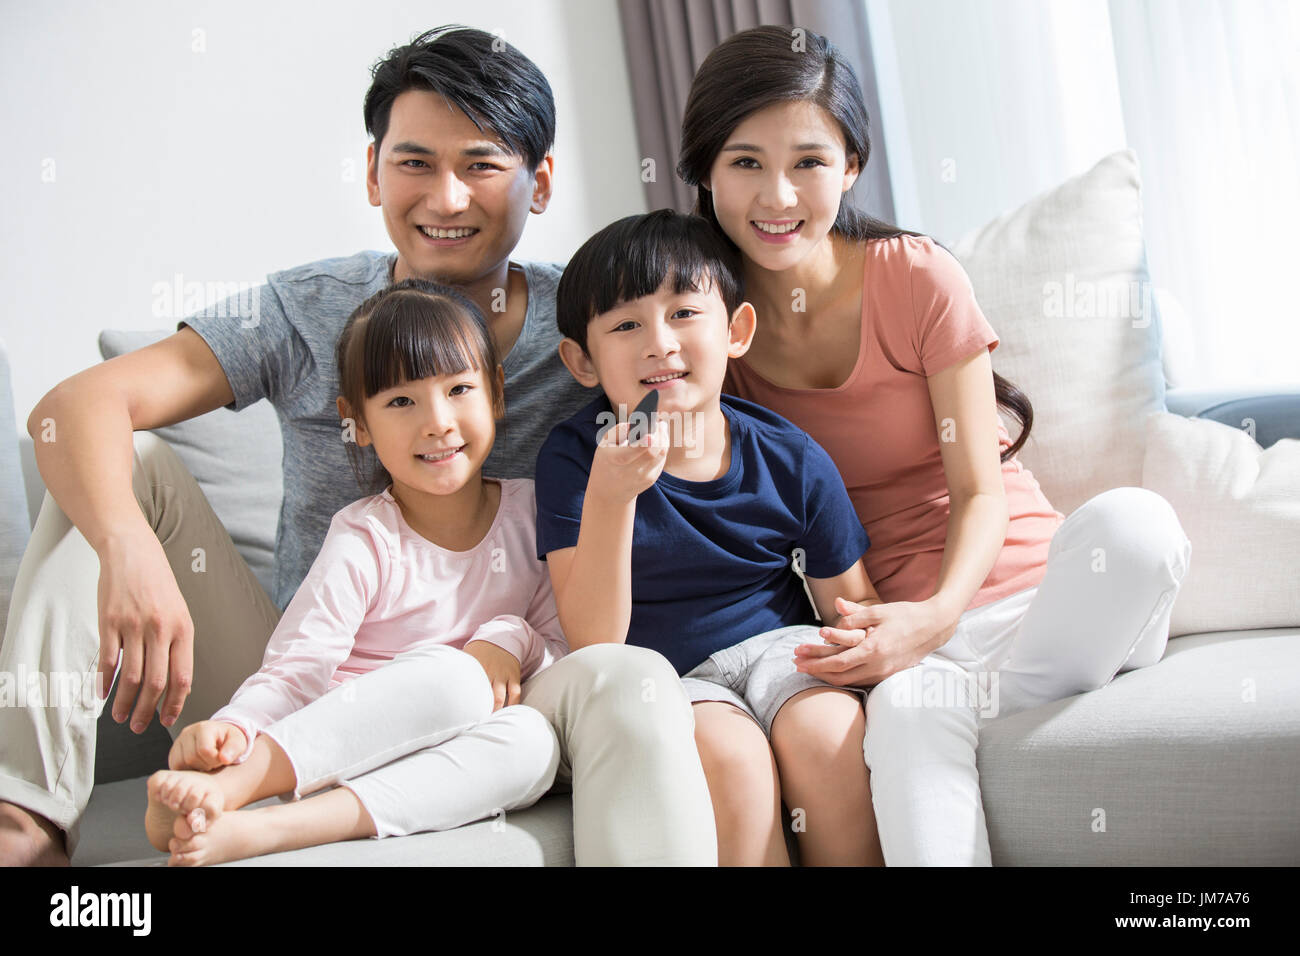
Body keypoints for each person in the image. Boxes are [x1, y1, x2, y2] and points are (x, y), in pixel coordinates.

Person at [0, 24, 716, 867]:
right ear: (373, 173)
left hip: (500, 684)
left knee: (618, 682)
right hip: (312, 674)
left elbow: (720, 367)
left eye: (481, 164)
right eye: (415, 163)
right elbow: (73, 409)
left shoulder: (592, 330)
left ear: (541, 180)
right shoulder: (303, 306)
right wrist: (129, 549)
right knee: (133, 467)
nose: (446, 198)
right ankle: (27, 825)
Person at [675, 24, 1193, 865]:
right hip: (911, 651)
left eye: (808, 161)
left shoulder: (914, 277)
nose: (777, 195)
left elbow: (982, 490)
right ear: (703, 171)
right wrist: (898, 641)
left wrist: (934, 616)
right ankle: (995, 703)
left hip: (1042, 600)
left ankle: (992, 692)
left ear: (850, 168)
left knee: (1139, 529)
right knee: (914, 714)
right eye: (745, 162)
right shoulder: (708, 332)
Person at [142, 280, 564, 865]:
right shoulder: (366, 536)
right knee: (456, 678)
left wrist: (507, 640)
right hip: (344, 742)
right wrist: (236, 727)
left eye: (459, 389)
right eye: (400, 402)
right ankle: (230, 788)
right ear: (357, 423)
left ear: (496, 393)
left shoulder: (538, 515)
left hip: (438, 765)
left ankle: (261, 831)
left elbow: (560, 650)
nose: (438, 422)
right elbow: (300, 665)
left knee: (533, 745)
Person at [535, 209, 889, 866]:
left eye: (684, 314)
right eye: (626, 325)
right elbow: (595, 643)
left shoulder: (792, 457)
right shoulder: (574, 460)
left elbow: (851, 606)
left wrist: (867, 653)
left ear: (737, 330)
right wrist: (612, 499)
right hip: (670, 677)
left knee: (827, 733)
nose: (659, 343)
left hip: (785, 651)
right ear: (582, 361)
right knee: (733, 761)